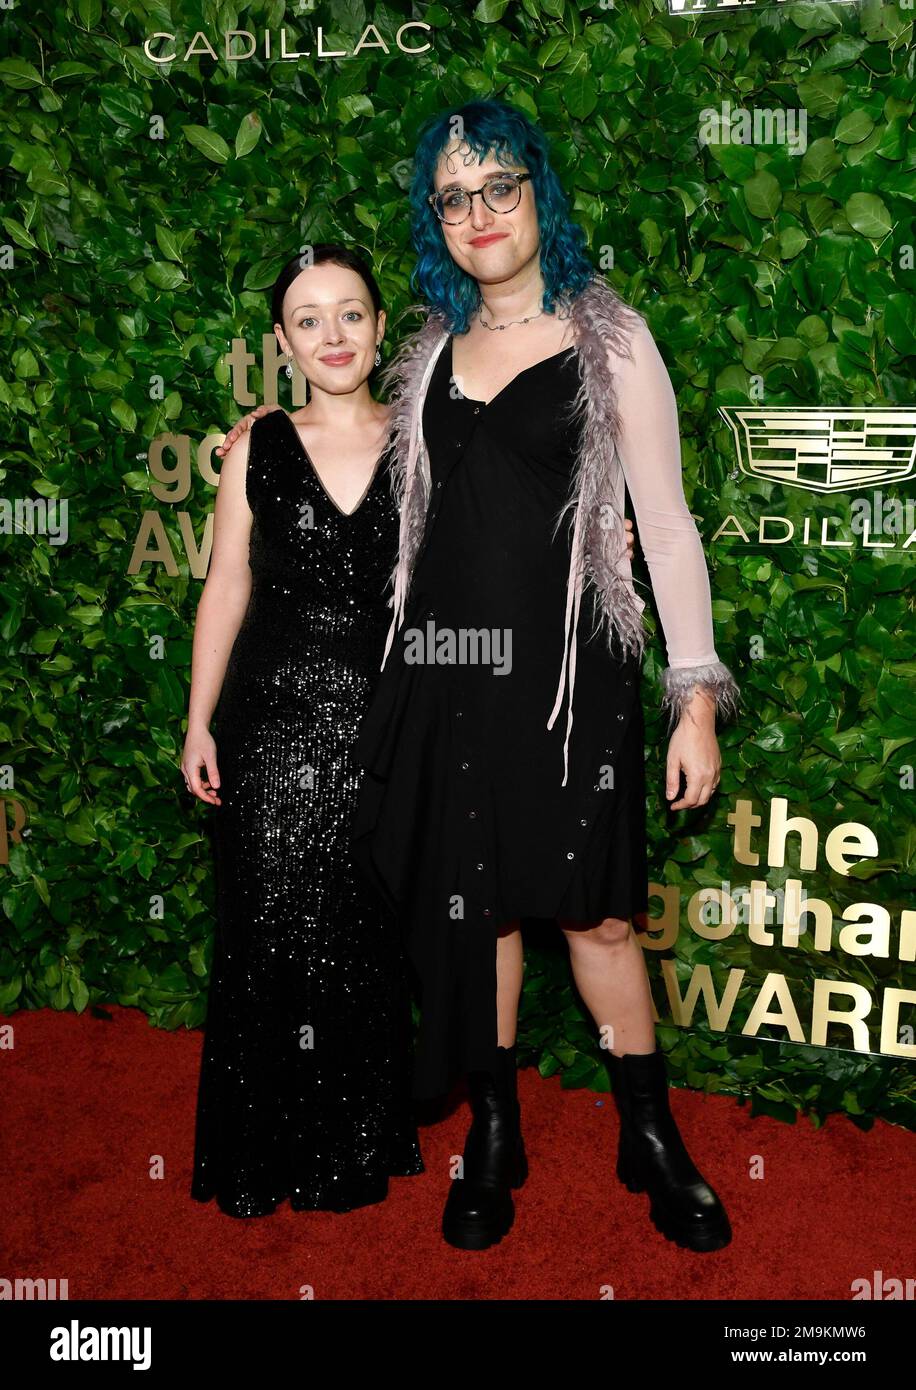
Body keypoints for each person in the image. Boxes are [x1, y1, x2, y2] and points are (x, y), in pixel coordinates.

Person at [349, 99, 741, 1255]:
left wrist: (696, 697)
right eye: (454, 198)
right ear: (439, 221)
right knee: (479, 916)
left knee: (603, 919)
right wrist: (256, 432)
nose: (480, 214)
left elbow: (664, 527)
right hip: (449, 678)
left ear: (539, 196)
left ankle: (650, 1136)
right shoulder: (425, 354)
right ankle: (492, 1131)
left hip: (571, 683)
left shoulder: (610, 339)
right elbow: (359, 453)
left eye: (499, 187)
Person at [181, 245, 423, 1216]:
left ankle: (346, 1151)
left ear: (378, 326)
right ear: (281, 341)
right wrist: (197, 721)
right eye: (309, 318)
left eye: (351, 313)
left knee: (361, 939)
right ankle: (257, 1155)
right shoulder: (255, 446)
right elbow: (225, 586)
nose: (332, 334)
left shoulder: (423, 439)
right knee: (268, 935)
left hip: (383, 726)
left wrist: (603, 535)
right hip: (270, 728)